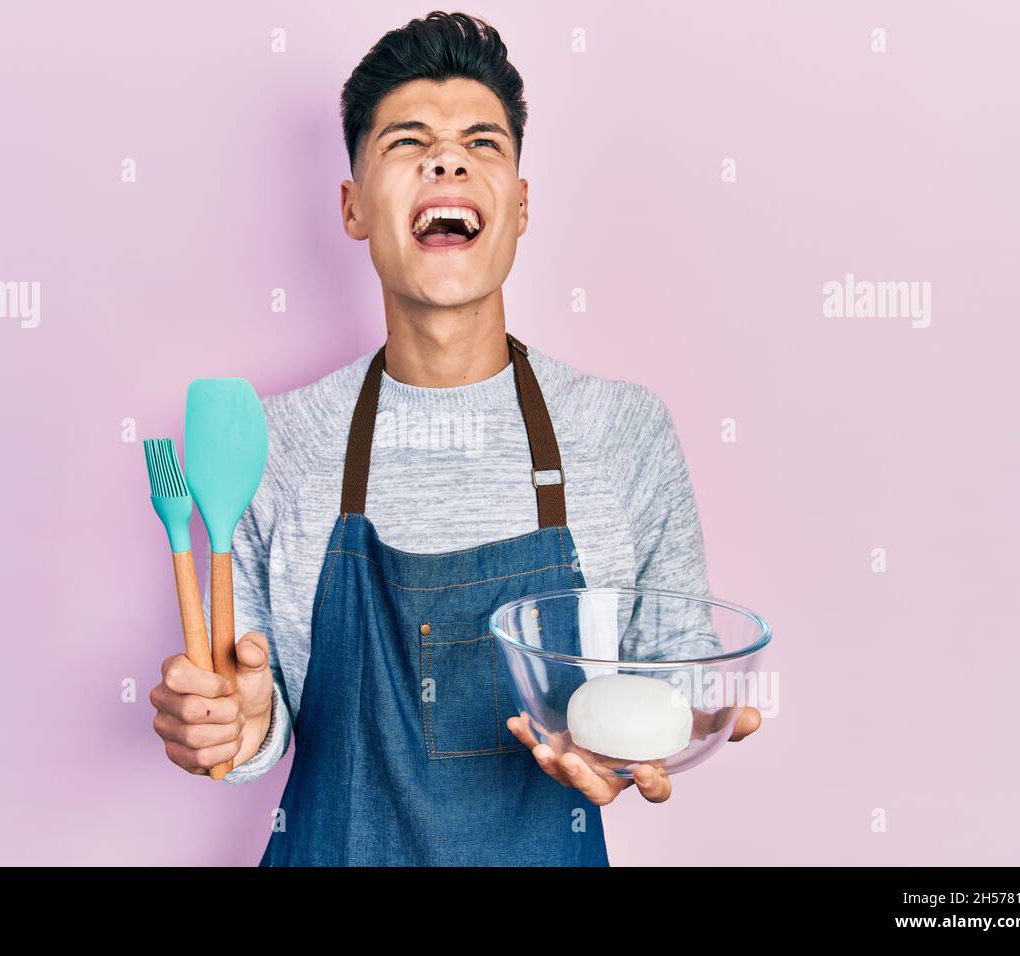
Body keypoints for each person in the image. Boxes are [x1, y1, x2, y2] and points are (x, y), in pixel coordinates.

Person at [149, 10, 760, 866]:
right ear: (353, 207)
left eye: (483, 141)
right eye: (407, 141)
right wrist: (237, 727)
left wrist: (681, 724)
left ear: (519, 204)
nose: (447, 158)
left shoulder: (623, 432)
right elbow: (255, 722)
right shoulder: (272, 445)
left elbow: (677, 680)